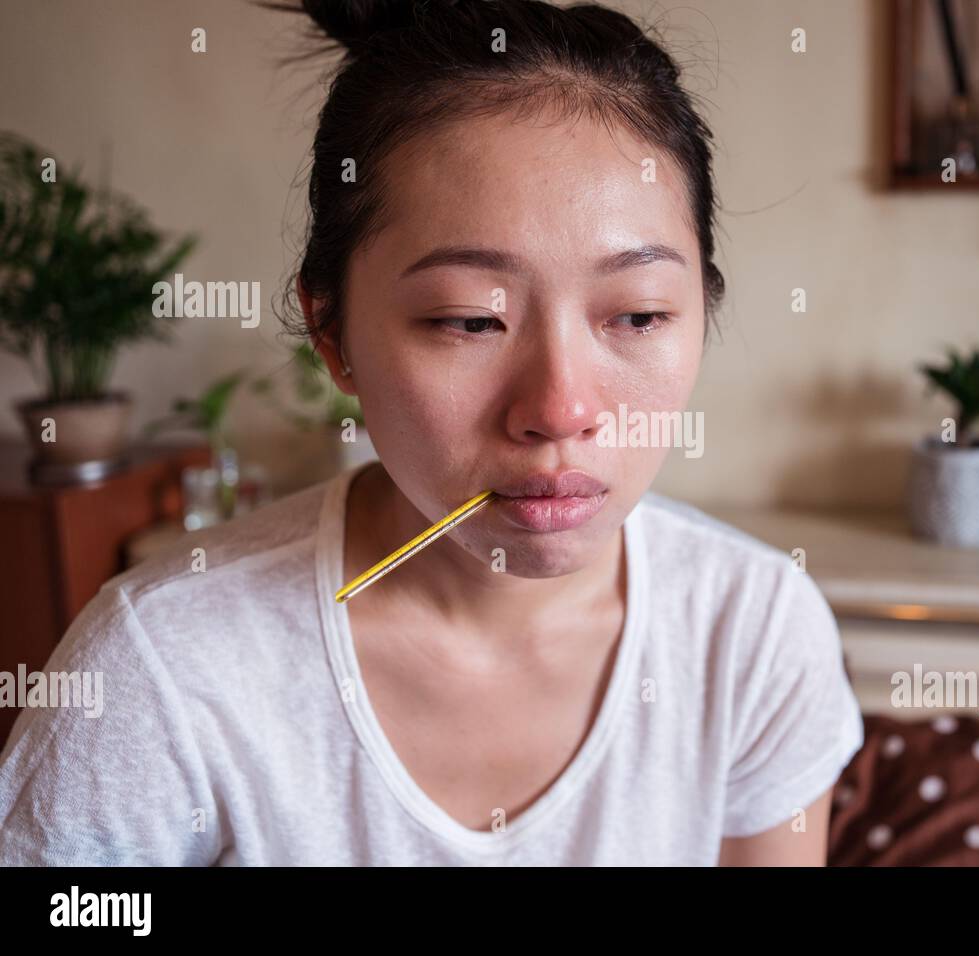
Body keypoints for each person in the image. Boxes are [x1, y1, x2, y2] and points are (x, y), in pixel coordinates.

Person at [0, 0, 863, 866]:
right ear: (333, 335)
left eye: (638, 315)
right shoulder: (162, 670)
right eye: (468, 321)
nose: (561, 410)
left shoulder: (753, 632)